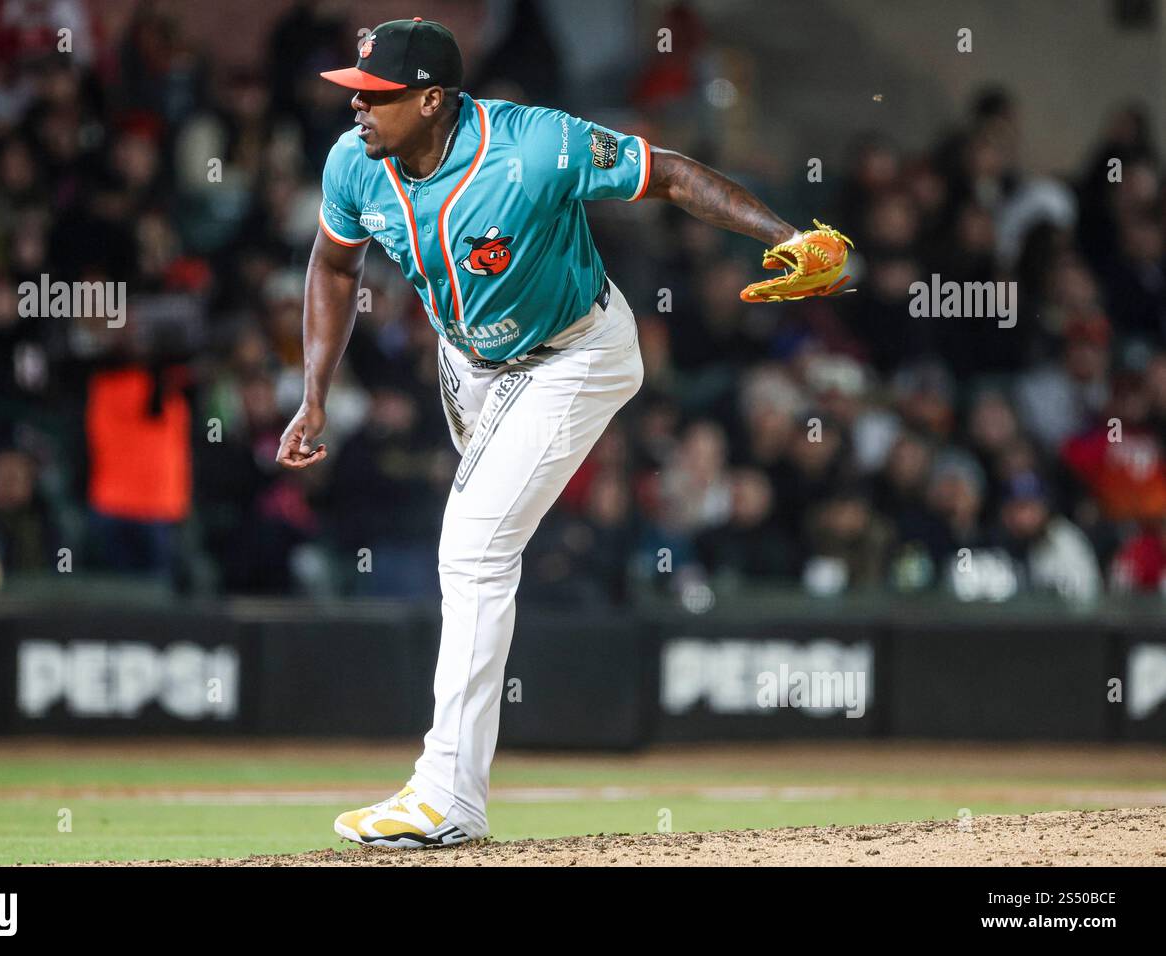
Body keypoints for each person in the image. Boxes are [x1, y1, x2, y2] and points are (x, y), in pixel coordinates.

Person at [275, 18, 850, 848]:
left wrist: (789, 237)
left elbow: (674, 175)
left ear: (432, 99)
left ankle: (444, 795)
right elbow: (333, 266)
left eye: (376, 96)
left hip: (577, 349)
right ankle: (457, 785)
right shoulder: (352, 165)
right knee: (482, 551)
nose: (357, 109)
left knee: (472, 548)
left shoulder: (533, 145)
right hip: (470, 359)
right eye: (355, 93)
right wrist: (314, 395)